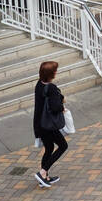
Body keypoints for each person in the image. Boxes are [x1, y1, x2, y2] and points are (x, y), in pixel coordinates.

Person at [33, 60, 68, 188]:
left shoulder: (39, 85)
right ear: (50, 74)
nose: (56, 72)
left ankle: (45, 177)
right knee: (63, 145)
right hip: (49, 124)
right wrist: (62, 104)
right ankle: (42, 172)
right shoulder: (51, 88)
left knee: (49, 148)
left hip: (40, 124)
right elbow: (55, 107)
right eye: (55, 70)